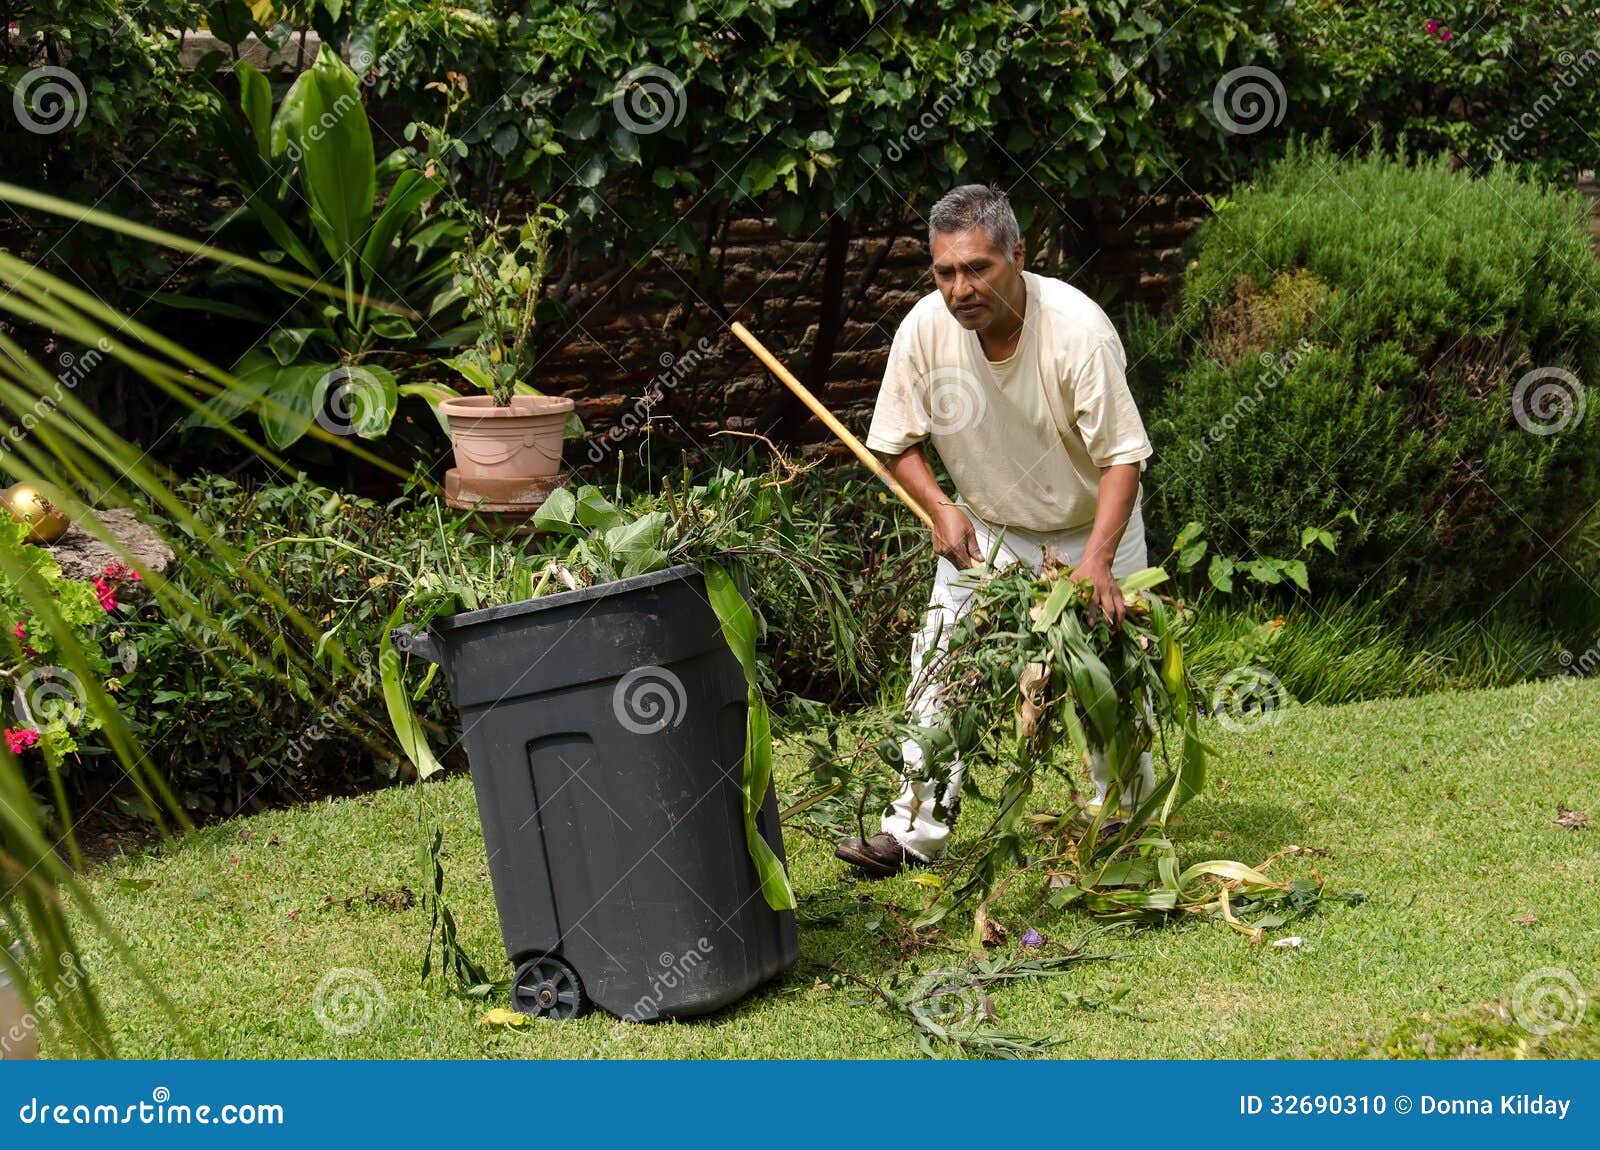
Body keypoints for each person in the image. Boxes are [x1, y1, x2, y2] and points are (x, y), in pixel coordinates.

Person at [836, 183, 1157, 879]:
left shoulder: (1077, 331)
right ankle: (912, 834)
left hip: (1090, 525)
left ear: (1019, 255)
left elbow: (1122, 458)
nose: (960, 288)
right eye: (945, 271)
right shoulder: (925, 329)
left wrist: (1097, 561)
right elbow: (895, 442)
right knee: (941, 674)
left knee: (1108, 683)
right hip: (984, 529)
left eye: (977, 268)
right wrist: (939, 507)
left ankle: (1124, 824)